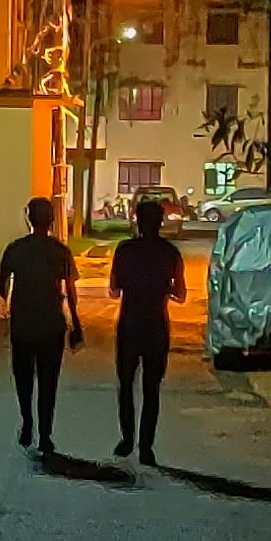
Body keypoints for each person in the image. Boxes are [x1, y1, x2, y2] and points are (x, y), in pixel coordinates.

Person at [0, 195, 84, 455]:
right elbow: (70, 290)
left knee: (23, 377)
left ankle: (27, 422)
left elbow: (1, 285)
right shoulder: (60, 251)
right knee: (48, 380)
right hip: (52, 323)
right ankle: (45, 433)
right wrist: (76, 324)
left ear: (28, 218)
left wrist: (7, 308)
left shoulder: (15, 249)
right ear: (52, 220)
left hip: (23, 323)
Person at [105, 191, 187, 464]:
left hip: (129, 324)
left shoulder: (125, 251)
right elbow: (182, 295)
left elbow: (114, 290)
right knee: (151, 388)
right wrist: (165, 289)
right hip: (156, 325)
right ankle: (146, 446)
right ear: (161, 223)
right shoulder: (170, 253)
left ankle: (126, 439)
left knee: (126, 384)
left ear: (137, 222)